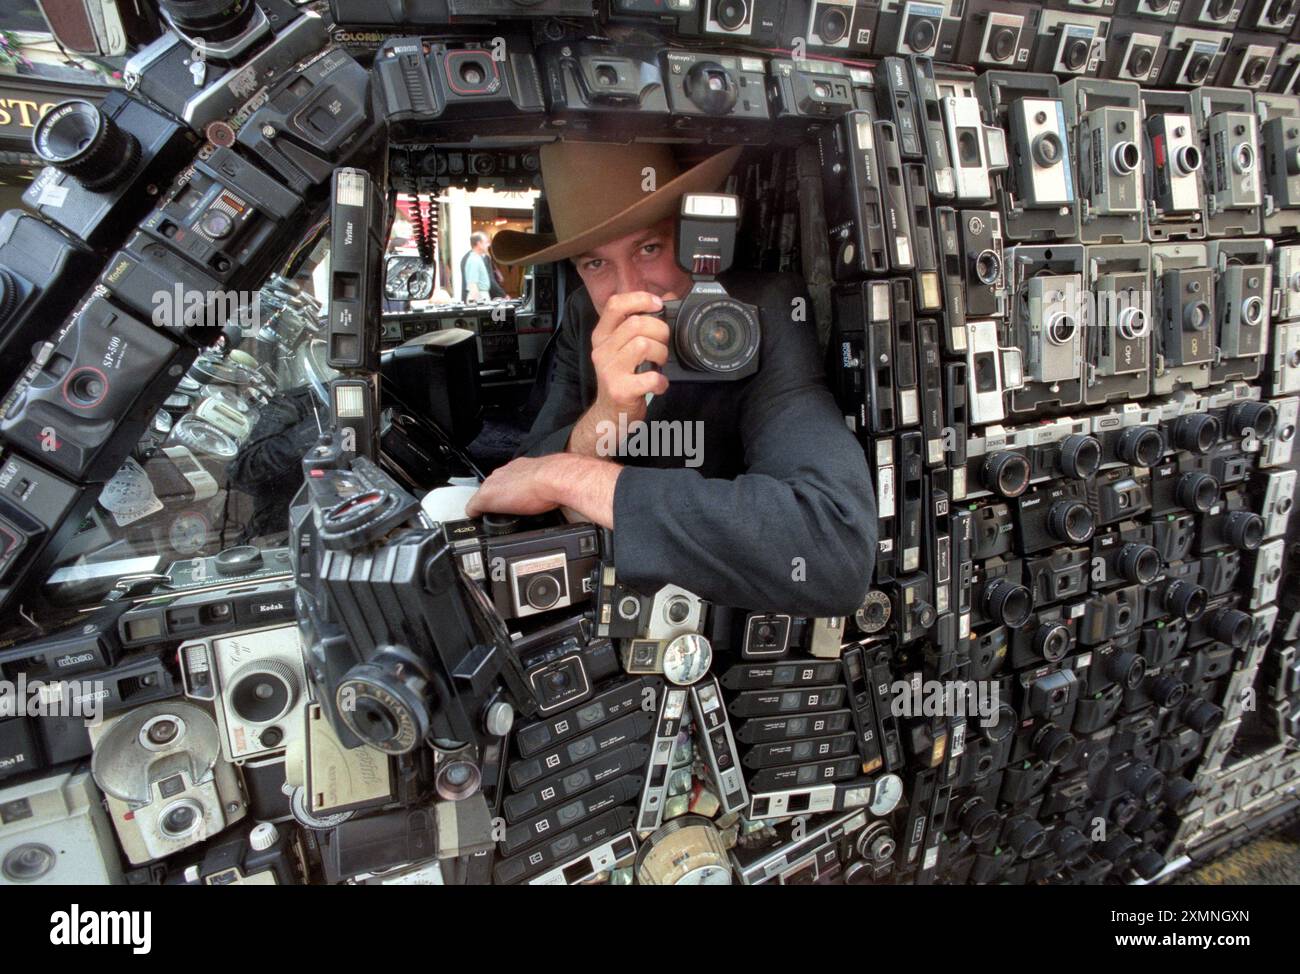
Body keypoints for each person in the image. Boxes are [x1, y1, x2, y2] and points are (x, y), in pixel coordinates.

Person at [467, 140, 876, 615]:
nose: (628, 290)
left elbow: (834, 550)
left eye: (648, 247)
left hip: (722, 613)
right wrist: (606, 420)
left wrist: (573, 478)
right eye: (595, 263)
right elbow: (526, 474)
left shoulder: (764, 312)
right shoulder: (585, 315)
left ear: (692, 236)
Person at [460, 231, 493, 303]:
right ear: (479, 244)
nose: (488, 245)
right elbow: (472, 285)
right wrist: (480, 303)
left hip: (481, 295)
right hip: (479, 297)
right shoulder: (474, 260)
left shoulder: (477, 258)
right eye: (486, 242)